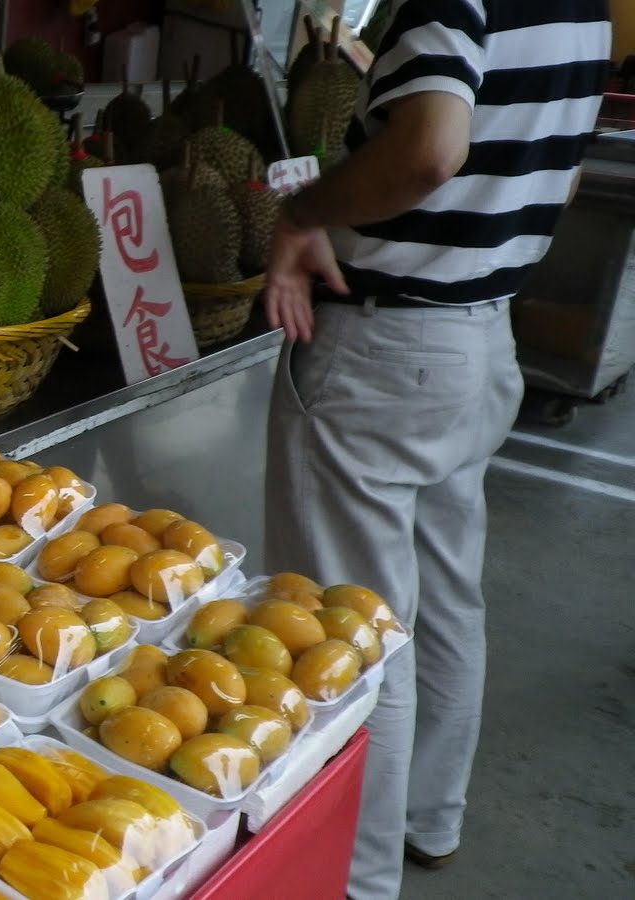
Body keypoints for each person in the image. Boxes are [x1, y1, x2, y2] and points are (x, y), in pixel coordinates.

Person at [263, 2, 610, 898]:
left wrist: (303, 212)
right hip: (483, 335)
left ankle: (357, 876)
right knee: (448, 595)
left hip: (387, 349)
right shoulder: (586, 9)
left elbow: (430, 149)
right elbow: (558, 171)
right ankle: (430, 819)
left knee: (353, 624)